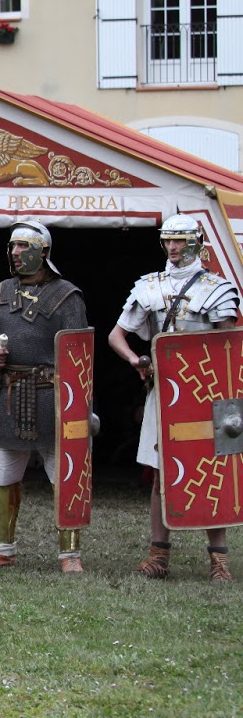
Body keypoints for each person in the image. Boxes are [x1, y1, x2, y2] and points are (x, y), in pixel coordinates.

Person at [108, 214, 240, 583]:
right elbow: (116, 336)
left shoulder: (218, 289)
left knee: (212, 472)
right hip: (164, 394)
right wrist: (137, 360)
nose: (172, 248)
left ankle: (219, 561)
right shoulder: (150, 286)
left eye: (179, 241)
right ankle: (158, 556)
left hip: (207, 397)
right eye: (168, 241)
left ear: (195, 242)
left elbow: (227, 348)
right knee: (161, 475)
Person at [0, 222, 89, 573]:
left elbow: (79, 356)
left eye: (23, 247)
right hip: (9, 394)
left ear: (43, 253)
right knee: (5, 473)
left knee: (63, 474)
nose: (16, 253)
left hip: (52, 395)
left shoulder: (67, 296)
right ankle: (2, 550)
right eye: (13, 247)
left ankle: (70, 555)